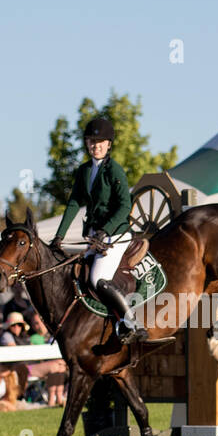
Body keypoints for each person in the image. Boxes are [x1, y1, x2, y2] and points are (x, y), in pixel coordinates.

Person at [49, 116, 146, 343]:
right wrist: (59, 236)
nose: (96, 145)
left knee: (97, 278)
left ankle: (131, 322)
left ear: (109, 144)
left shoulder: (115, 170)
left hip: (117, 234)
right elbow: (74, 203)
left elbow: (124, 206)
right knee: (75, 274)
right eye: (92, 141)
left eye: (100, 141)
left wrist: (106, 229)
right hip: (95, 236)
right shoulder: (84, 171)